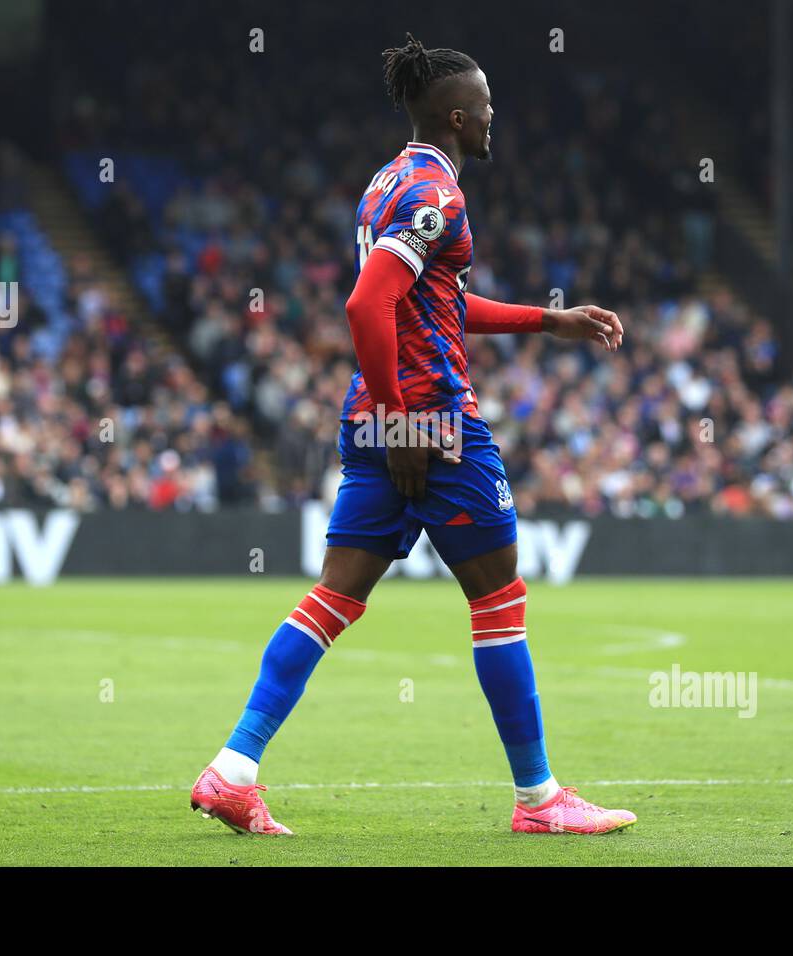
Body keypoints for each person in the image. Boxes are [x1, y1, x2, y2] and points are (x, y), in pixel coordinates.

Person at [192, 35, 635, 835]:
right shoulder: (439, 195)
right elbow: (366, 306)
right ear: (460, 117)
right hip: (431, 424)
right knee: (500, 601)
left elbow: (431, 303)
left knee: (333, 599)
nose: (497, 117)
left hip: (376, 419)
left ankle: (232, 770)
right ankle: (539, 801)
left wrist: (547, 320)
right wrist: (407, 415)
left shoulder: (388, 180)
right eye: (489, 106)